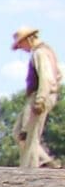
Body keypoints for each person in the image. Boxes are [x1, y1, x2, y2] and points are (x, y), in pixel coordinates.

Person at [15, 26, 59, 168]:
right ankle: (46, 162)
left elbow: (46, 77)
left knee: (29, 137)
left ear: (28, 39)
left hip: (40, 95)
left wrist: (40, 100)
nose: (21, 48)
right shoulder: (46, 51)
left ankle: (31, 170)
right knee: (19, 133)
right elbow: (58, 74)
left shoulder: (40, 53)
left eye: (21, 44)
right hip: (41, 94)